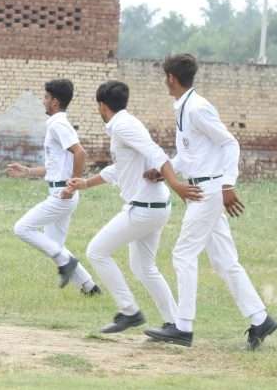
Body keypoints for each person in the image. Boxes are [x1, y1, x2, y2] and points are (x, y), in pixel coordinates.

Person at [142, 54, 276, 349]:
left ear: (171, 78)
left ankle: (183, 327)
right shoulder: (184, 107)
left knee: (183, 254)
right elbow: (192, 154)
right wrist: (165, 171)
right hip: (203, 188)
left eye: (164, 77)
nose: (164, 82)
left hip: (210, 191)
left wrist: (228, 184)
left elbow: (230, 143)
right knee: (225, 260)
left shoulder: (198, 108)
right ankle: (260, 319)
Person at [67, 81, 201, 335]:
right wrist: (85, 183)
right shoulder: (125, 124)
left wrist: (176, 184)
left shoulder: (122, 125)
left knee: (96, 251)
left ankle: (130, 312)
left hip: (144, 209)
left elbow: (156, 152)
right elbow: (121, 168)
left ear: (102, 106)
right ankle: (175, 325)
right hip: (153, 207)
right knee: (143, 267)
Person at [6, 79, 99, 295]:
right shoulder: (56, 124)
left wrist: (73, 184)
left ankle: (66, 262)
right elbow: (54, 168)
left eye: (46, 97)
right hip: (60, 191)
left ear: (55, 102)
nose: (43, 101)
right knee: (54, 244)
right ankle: (89, 287)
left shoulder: (58, 124)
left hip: (62, 195)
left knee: (22, 228)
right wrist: (28, 171)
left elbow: (80, 153)